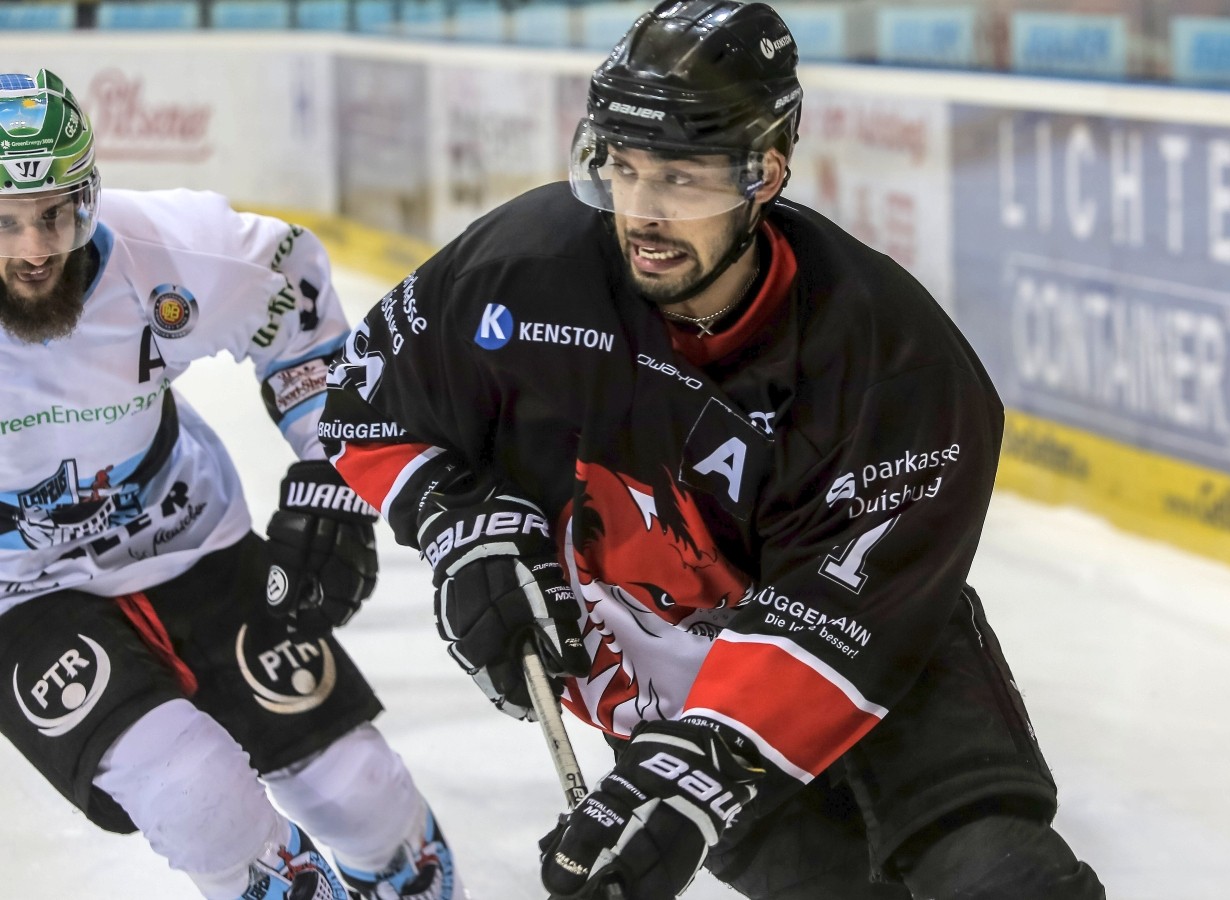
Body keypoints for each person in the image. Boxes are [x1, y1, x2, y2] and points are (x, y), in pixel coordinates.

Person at [323, 2, 1107, 897]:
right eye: (624, 169)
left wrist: (700, 767)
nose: (645, 213)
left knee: (998, 877)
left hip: (872, 657)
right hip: (661, 678)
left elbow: (846, 614)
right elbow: (363, 402)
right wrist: (461, 524)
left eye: (683, 177)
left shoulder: (890, 359)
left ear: (763, 174)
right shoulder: (525, 269)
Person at [0, 70, 463, 900]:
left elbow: (301, 309)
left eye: (55, 213)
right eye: (3, 222)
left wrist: (331, 473)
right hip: (19, 592)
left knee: (368, 801)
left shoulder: (165, 250)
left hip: (189, 538)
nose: (36, 249)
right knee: (198, 800)